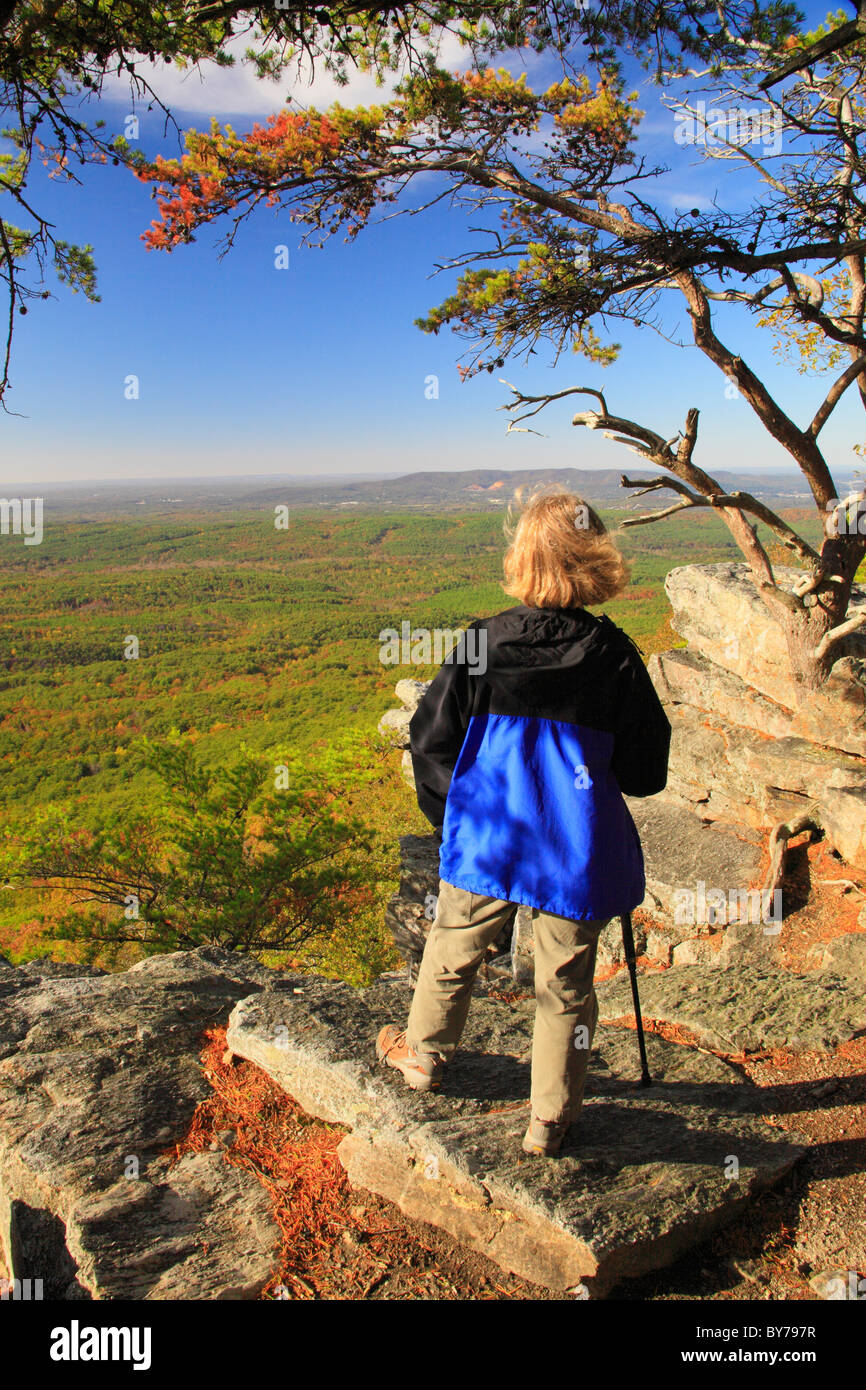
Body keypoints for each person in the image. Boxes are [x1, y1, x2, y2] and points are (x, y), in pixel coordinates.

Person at [375, 489, 671, 1156]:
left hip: (492, 833)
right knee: (563, 983)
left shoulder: (482, 644)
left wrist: (460, 812)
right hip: (575, 846)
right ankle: (549, 1118)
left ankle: (423, 1054)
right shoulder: (615, 656)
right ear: (593, 558)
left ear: (522, 557)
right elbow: (648, 770)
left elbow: (430, 743)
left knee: (454, 941)